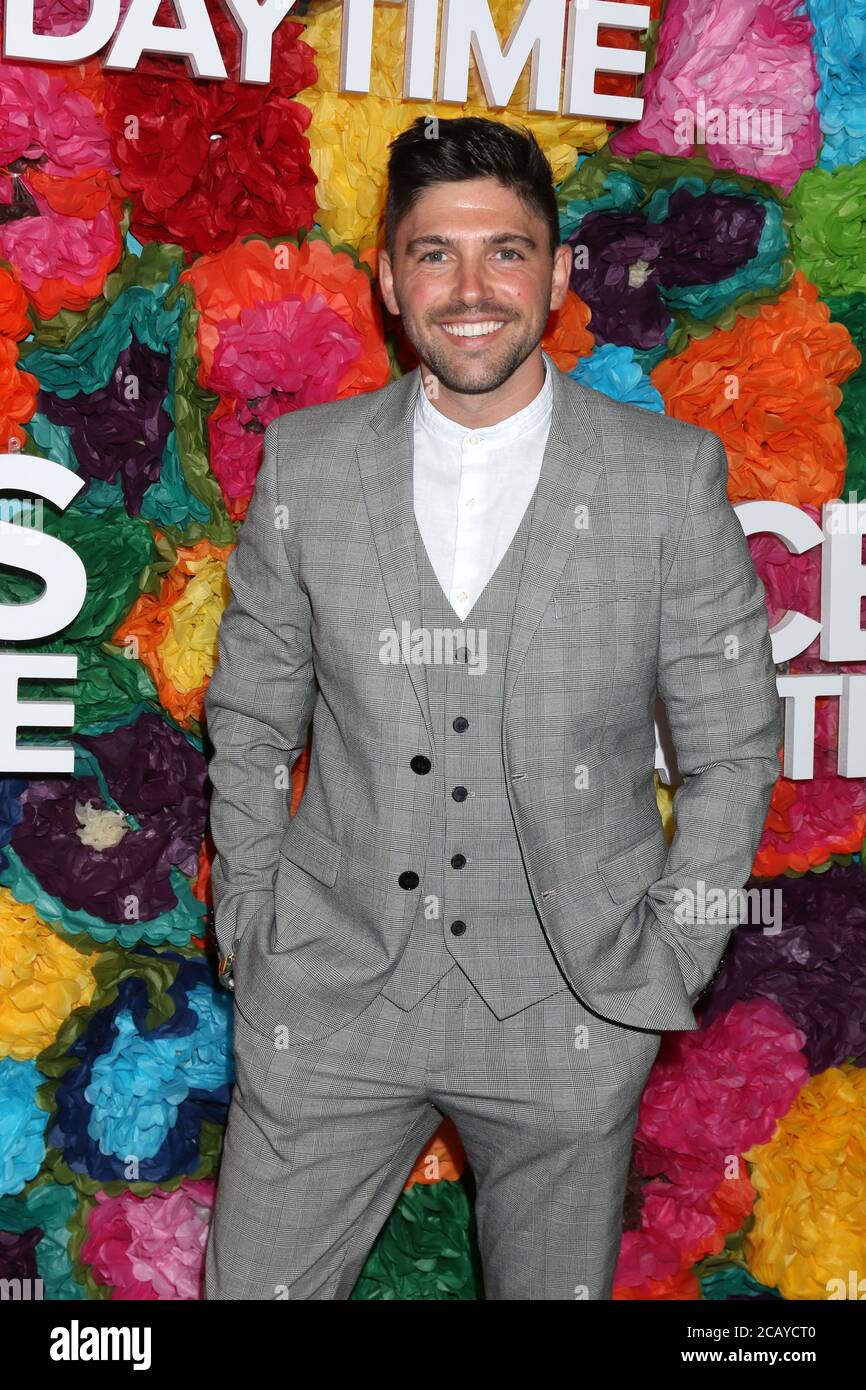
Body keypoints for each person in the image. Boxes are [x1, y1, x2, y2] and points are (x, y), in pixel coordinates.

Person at [203, 116, 781, 1301]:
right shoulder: (307, 467)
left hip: (570, 1004)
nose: (469, 289)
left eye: (505, 252)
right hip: (327, 995)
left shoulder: (663, 477)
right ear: (386, 278)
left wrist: (665, 958)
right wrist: (252, 930)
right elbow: (253, 722)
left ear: (559, 272)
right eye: (433, 253)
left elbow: (732, 748)